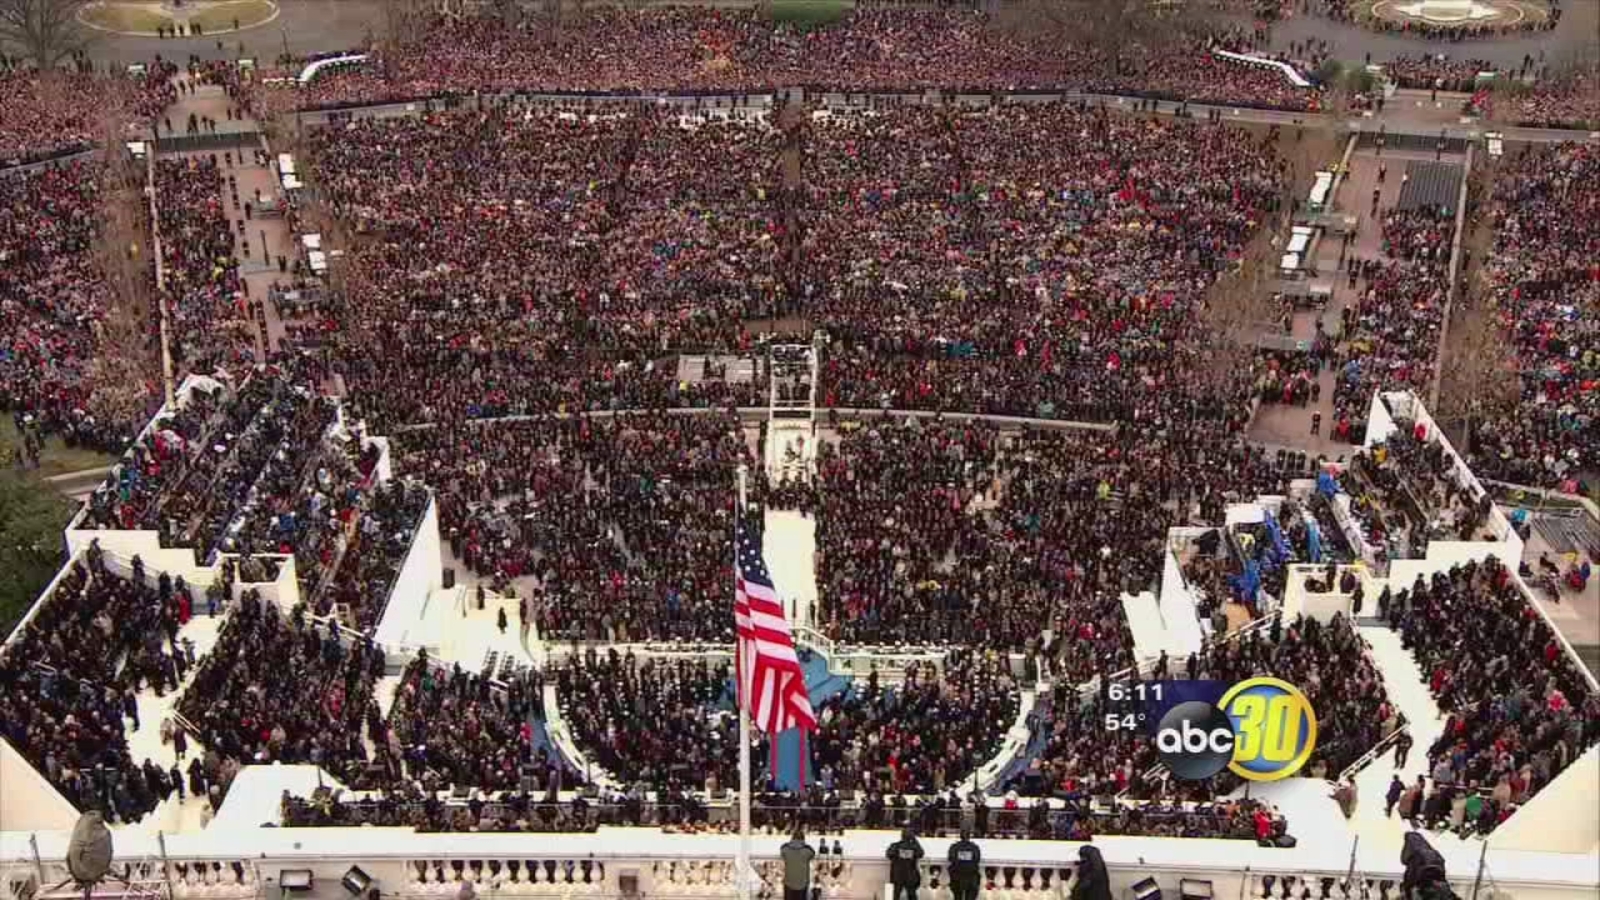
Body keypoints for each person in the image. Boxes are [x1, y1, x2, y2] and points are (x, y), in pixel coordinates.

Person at [886, 827, 924, 900]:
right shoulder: (914, 847)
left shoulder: (895, 845)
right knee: (912, 895)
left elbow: (889, 854)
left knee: (896, 895)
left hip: (898, 875)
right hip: (910, 875)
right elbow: (921, 853)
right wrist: (915, 840)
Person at [781, 829, 816, 900]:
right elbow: (813, 853)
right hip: (802, 884)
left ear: (792, 838)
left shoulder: (785, 849)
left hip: (789, 882)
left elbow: (782, 851)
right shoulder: (807, 850)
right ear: (803, 839)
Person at [947, 829, 980, 900]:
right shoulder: (974, 847)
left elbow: (951, 858)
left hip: (957, 876)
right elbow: (977, 859)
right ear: (969, 837)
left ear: (960, 836)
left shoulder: (954, 847)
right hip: (971, 876)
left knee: (957, 897)